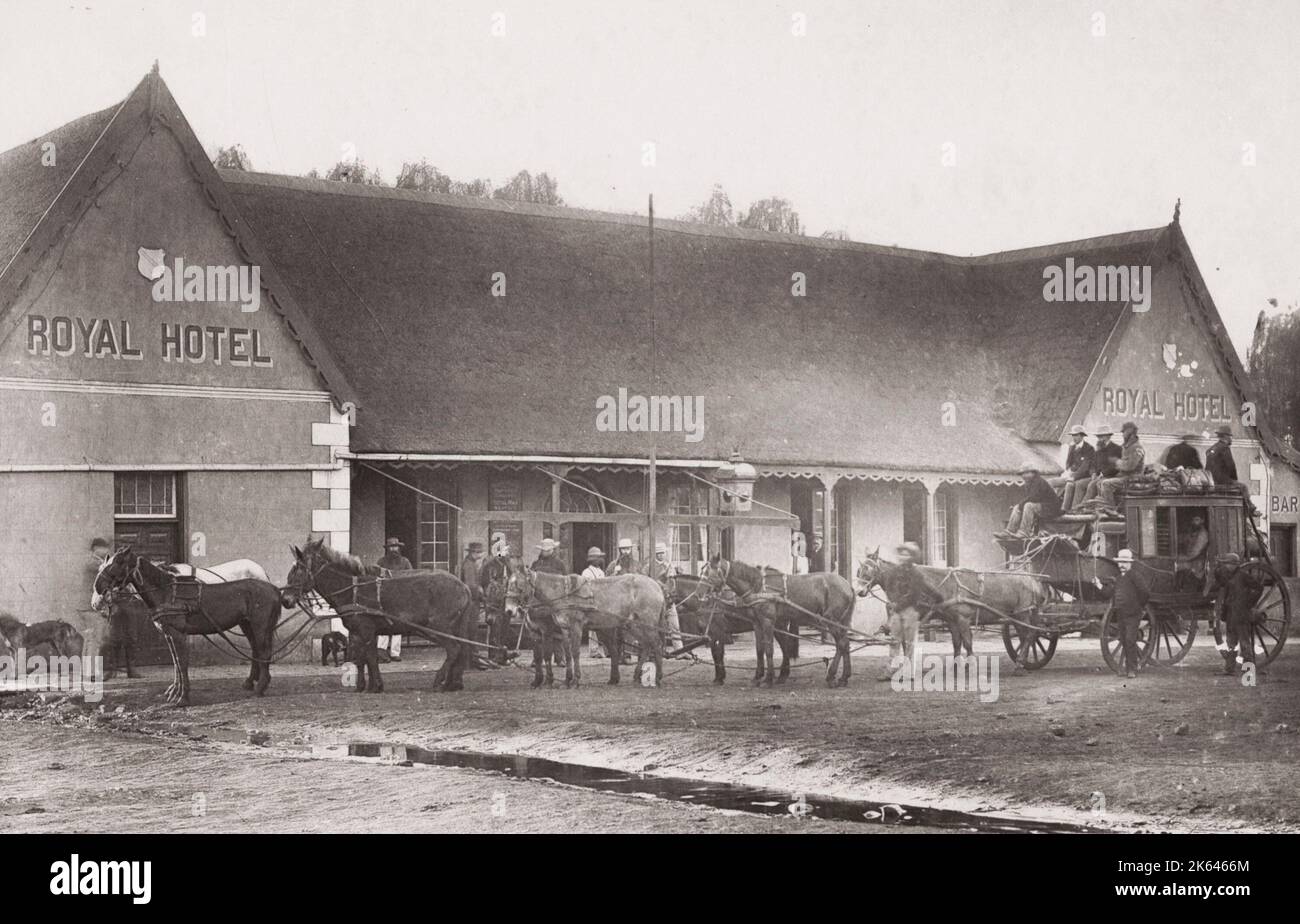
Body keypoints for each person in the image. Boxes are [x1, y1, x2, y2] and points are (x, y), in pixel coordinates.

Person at [878, 542, 937, 680]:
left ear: (911, 557)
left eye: (906, 554)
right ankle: (891, 670)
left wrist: (900, 605)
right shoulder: (894, 571)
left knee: (910, 643)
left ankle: (910, 672)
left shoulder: (916, 574)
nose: (903, 557)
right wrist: (892, 601)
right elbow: (889, 587)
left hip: (910, 611)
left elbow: (914, 594)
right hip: (896, 611)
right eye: (901, 554)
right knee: (894, 641)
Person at [90, 537, 141, 680]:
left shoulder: (129, 568)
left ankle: (132, 670)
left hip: (129, 604)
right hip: (114, 605)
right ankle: (110, 670)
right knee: (113, 638)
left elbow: (134, 586)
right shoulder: (108, 567)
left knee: (131, 637)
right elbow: (101, 586)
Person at [1112, 549, 1150, 678]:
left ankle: (1132, 670)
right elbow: (1111, 593)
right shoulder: (1118, 578)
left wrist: (1140, 606)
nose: (1122, 565)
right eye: (1120, 562)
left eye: (1125, 562)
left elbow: (1145, 592)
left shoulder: (1135, 576)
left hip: (1133, 614)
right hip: (1121, 614)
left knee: (1130, 640)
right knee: (1123, 639)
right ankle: (1128, 668)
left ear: (1130, 564)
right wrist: (1099, 585)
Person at [997, 465, 1063, 539]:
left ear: (1033, 473)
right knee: (1017, 507)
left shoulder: (1039, 482)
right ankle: (1009, 531)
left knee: (1028, 506)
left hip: (1051, 508)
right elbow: (1031, 498)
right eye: (1022, 474)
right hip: (1042, 507)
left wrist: (1021, 504)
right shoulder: (1029, 483)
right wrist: (1020, 506)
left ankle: (1024, 532)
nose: (1023, 476)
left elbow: (1035, 497)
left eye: (1026, 473)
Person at [1097, 421, 1146, 509]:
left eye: (1124, 432)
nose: (1123, 435)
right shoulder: (1126, 447)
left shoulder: (1137, 447)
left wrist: (1116, 461)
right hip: (1124, 477)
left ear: (1130, 433)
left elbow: (1130, 466)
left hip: (1133, 478)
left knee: (1106, 484)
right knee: (1100, 482)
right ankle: (1104, 507)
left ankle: (1111, 511)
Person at [479, 540, 513, 663]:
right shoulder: (489, 565)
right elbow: (484, 583)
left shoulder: (507, 564)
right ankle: (493, 656)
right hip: (493, 602)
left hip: (506, 601)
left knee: (504, 628)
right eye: (504, 551)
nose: (506, 553)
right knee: (495, 628)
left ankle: (502, 656)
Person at [376, 538, 410, 660]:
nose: (394, 549)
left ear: (399, 548)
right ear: (387, 549)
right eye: (391, 547)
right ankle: (381, 650)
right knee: (383, 622)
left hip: (400, 596)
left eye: (396, 547)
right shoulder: (381, 562)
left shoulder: (405, 562)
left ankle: (395, 653)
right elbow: (376, 578)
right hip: (385, 596)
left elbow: (411, 578)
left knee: (398, 623)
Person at [1050, 425, 1095, 512]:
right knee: (1051, 482)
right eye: (1073, 435)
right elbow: (1068, 463)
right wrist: (1068, 471)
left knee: (1069, 485)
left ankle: (1065, 509)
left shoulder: (1089, 449)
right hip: (1070, 475)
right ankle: (1051, 506)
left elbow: (1085, 467)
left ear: (1082, 436)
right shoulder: (1072, 447)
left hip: (1082, 476)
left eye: (1076, 435)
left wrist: (1073, 476)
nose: (1074, 438)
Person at [649, 542, 684, 652]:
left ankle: (679, 650)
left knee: (675, 625)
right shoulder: (649, 566)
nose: (660, 555)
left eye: (662, 553)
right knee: (656, 626)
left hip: (668, 599)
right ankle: (656, 650)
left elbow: (672, 582)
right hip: (654, 600)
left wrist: (670, 592)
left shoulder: (669, 566)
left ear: (665, 553)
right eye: (658, 553)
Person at [1081, 425, 1122, 504]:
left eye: (1101, 436)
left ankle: (1084, 506)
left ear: (1108, 436)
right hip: (1098, 476)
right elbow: (1093, 464)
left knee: (1092, 485)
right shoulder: (1099, 449)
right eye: (1098, 436)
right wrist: (1093, 473)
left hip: (1110, 476)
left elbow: (1116, 467)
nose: (1099, 438)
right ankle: (1075, 507)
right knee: (1080, 484)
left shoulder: (1117, 449)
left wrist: (1103, 473)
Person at [581, 547, 609, 658]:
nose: (600, 560)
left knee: (606, 626)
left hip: (603, 600)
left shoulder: (601, 572)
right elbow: (586, 588)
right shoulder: (586, 572)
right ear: (592, 559)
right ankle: (593, 650)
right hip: (592, 600)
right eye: (598, 558)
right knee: (592, 627)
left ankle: (608, 650)